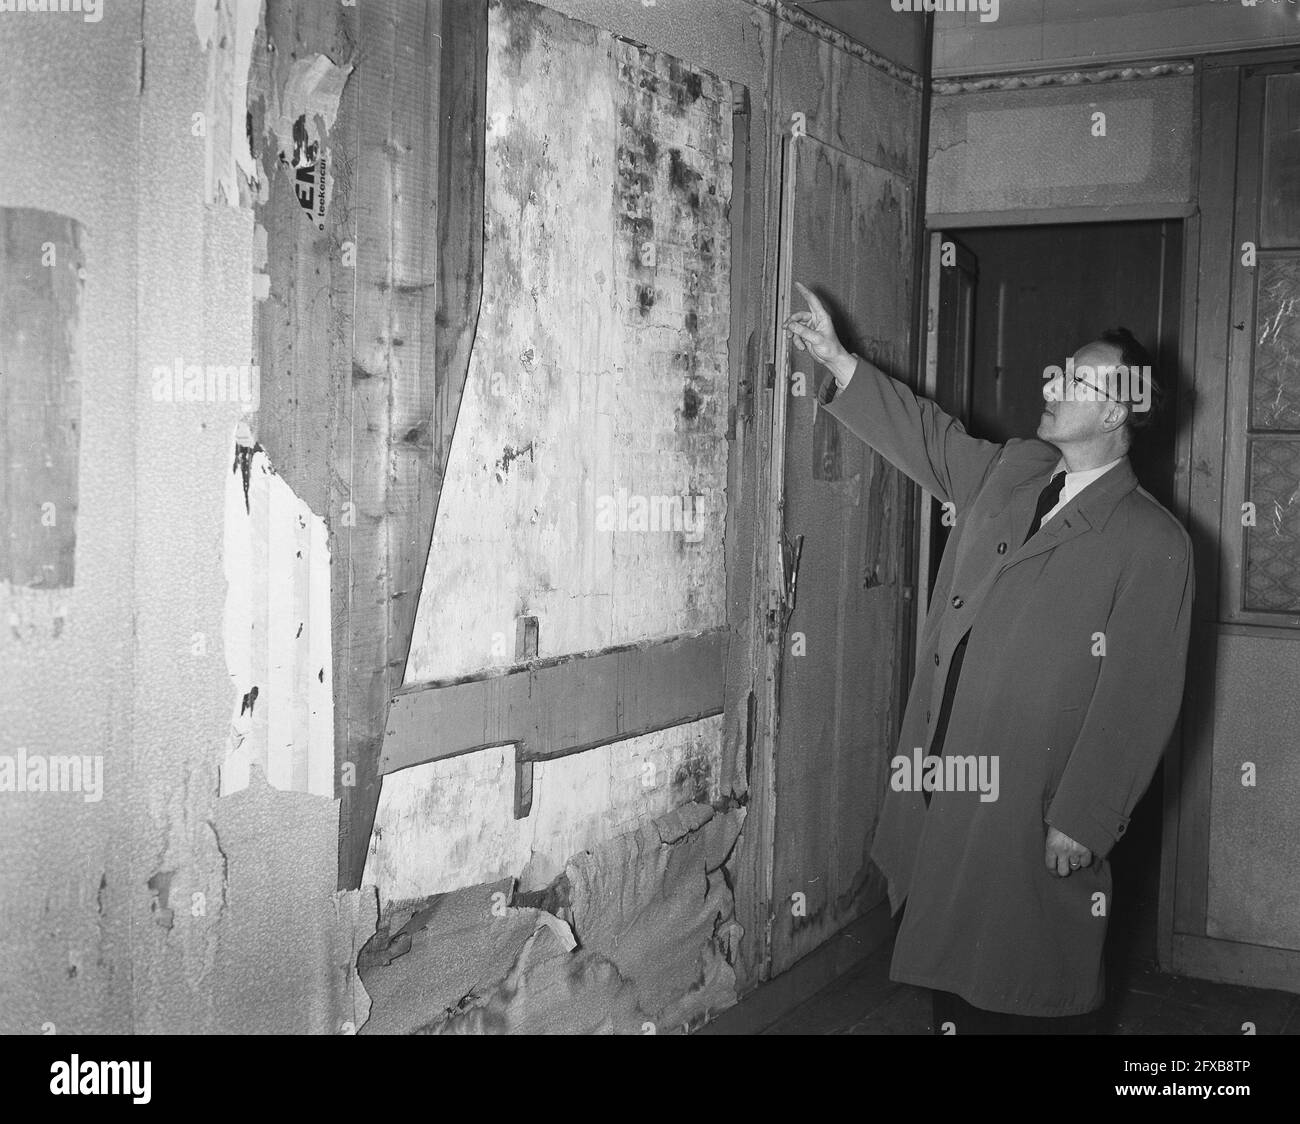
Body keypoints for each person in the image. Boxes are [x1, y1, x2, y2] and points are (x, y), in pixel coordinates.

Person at [784, 282, 1194, 1034]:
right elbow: (928, 438)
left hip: (1036, 798)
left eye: (1076, 380)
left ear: (1116, 411)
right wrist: (838, 358)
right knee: (951, 967)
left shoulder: (1152, 542)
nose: (1053, 384)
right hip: (951, 767)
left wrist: (1085, 819)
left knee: (1024, 980)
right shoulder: (1014, 472)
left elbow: (1138, 698)